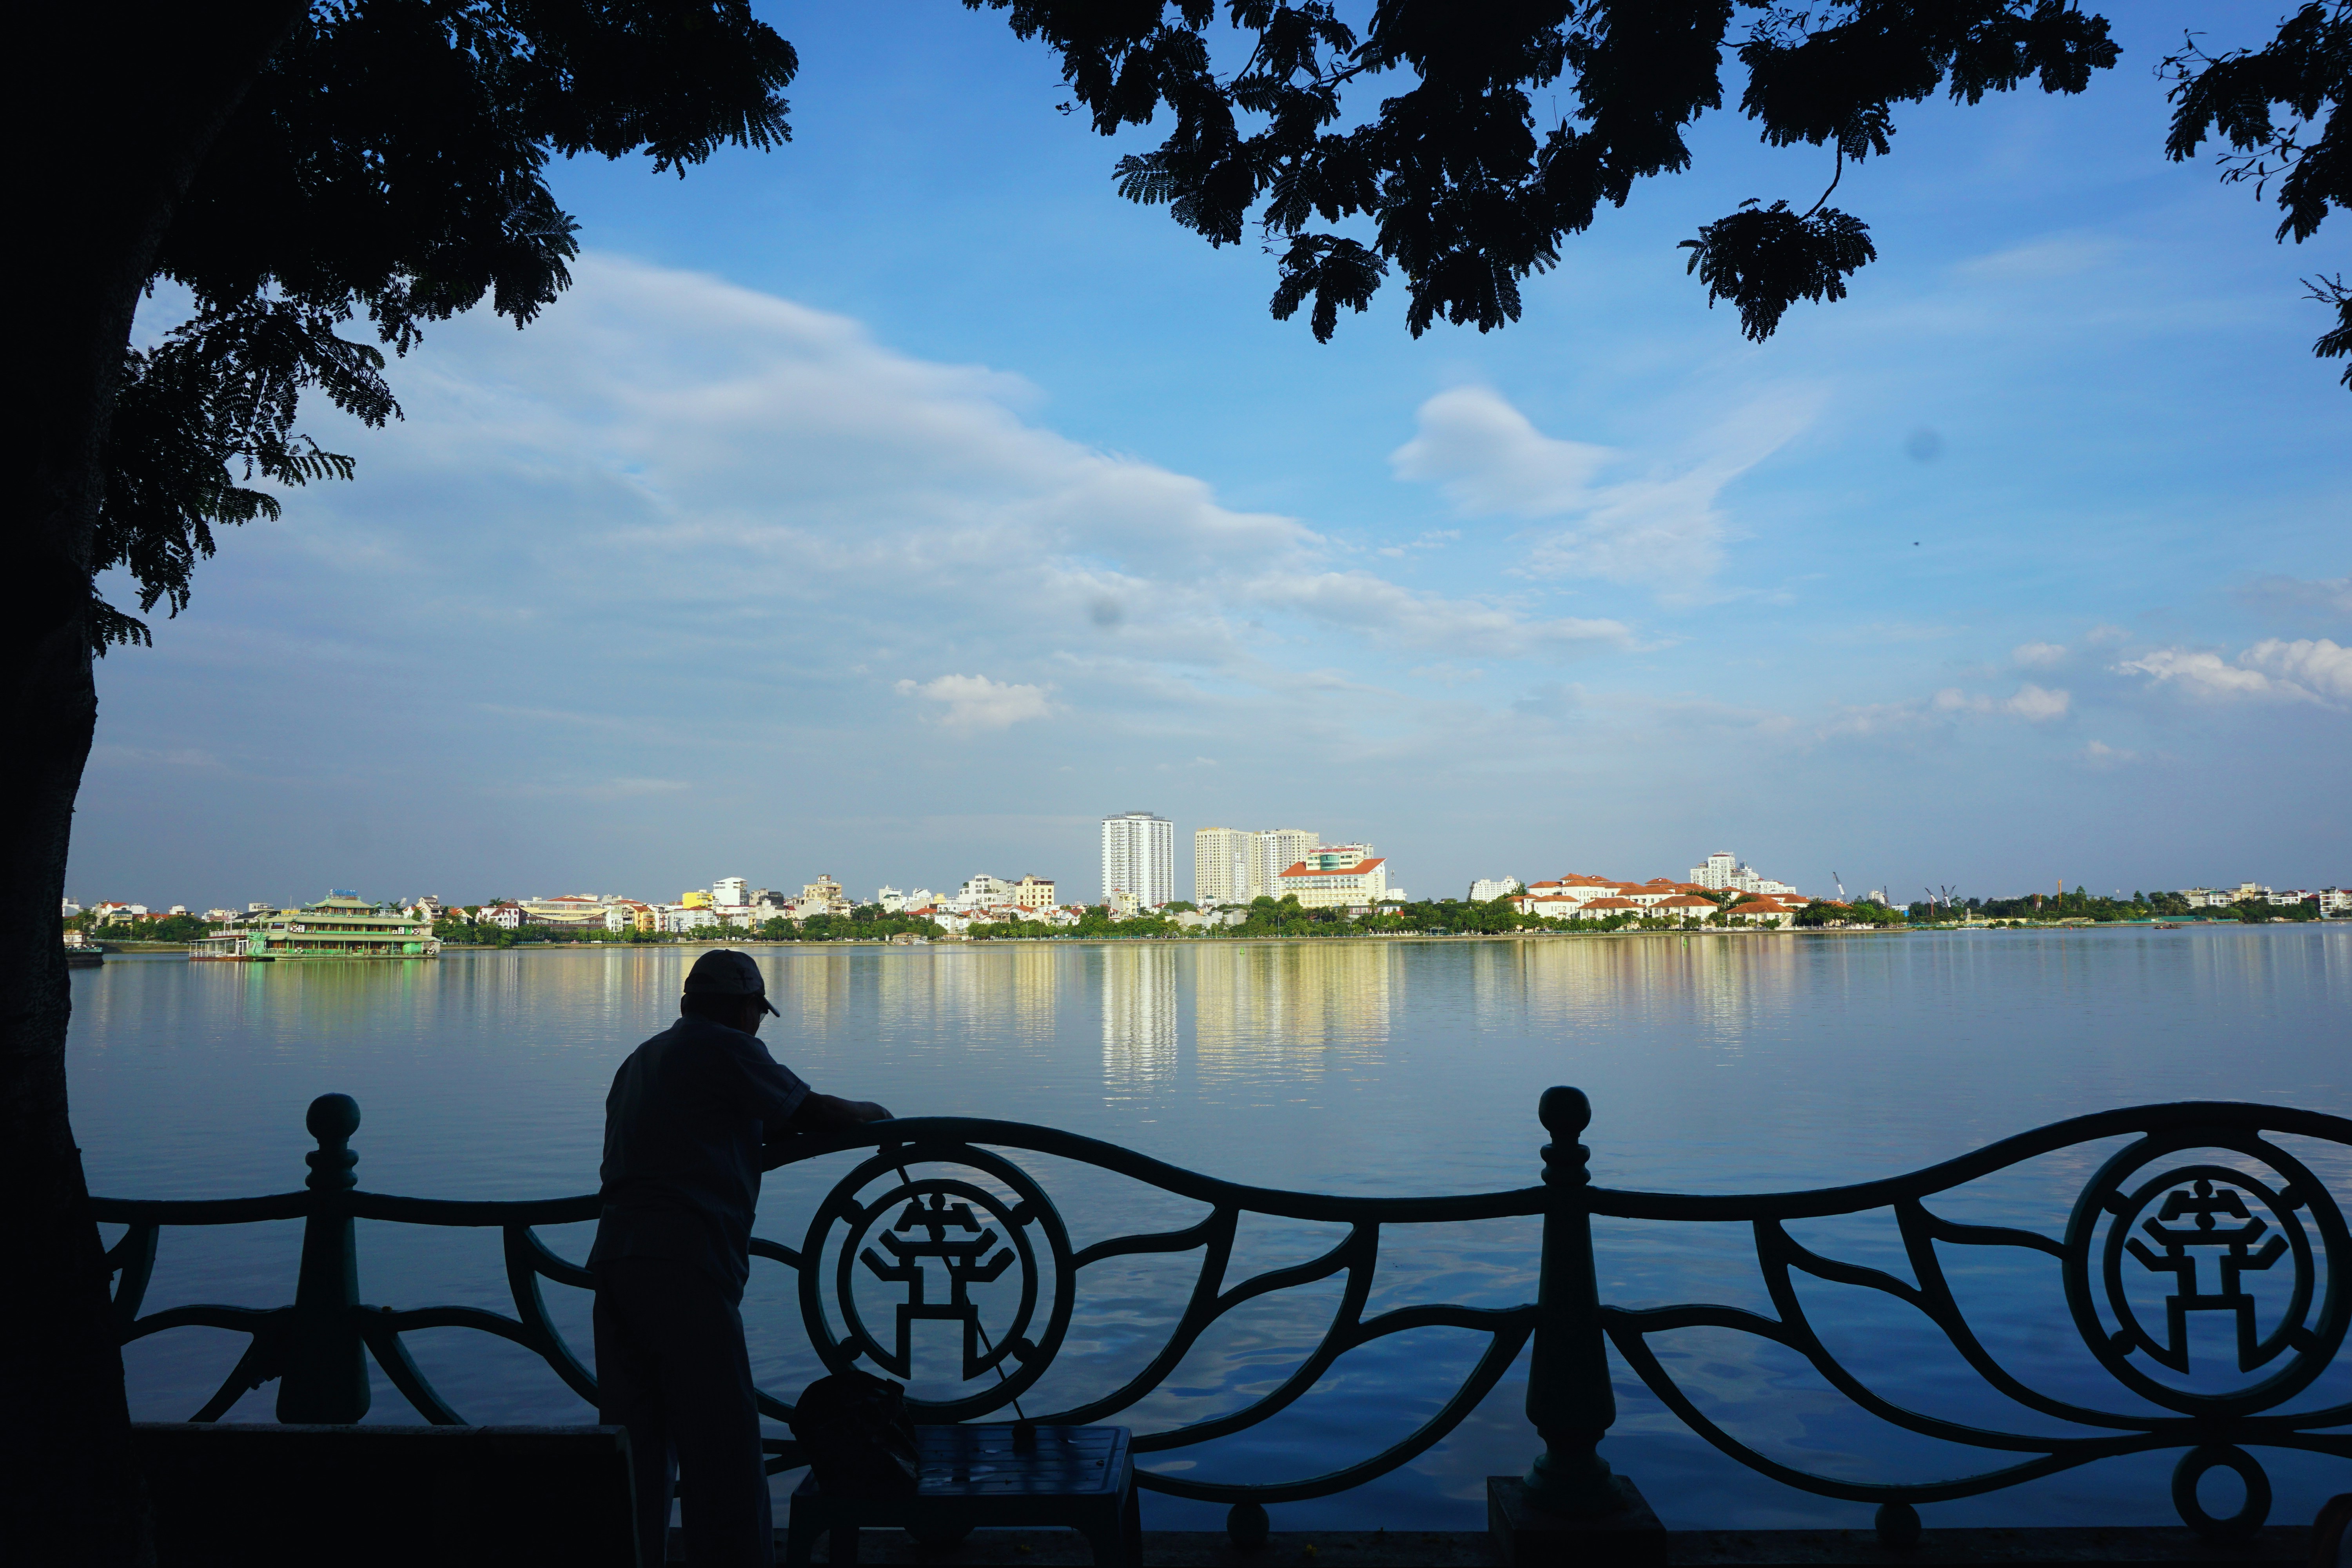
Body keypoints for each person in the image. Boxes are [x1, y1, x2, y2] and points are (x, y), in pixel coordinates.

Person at [590, 949, 893, 1567]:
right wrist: (874, 1117)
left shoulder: (644, 1059)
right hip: (685, 1264)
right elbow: (811, 1111)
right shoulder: (725, 1049)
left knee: (636, 1444)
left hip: (617, 1260)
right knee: (724, 1445)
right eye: (757, 1013)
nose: (758, 1026)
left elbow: (741, 1122)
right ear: (742, 1008)